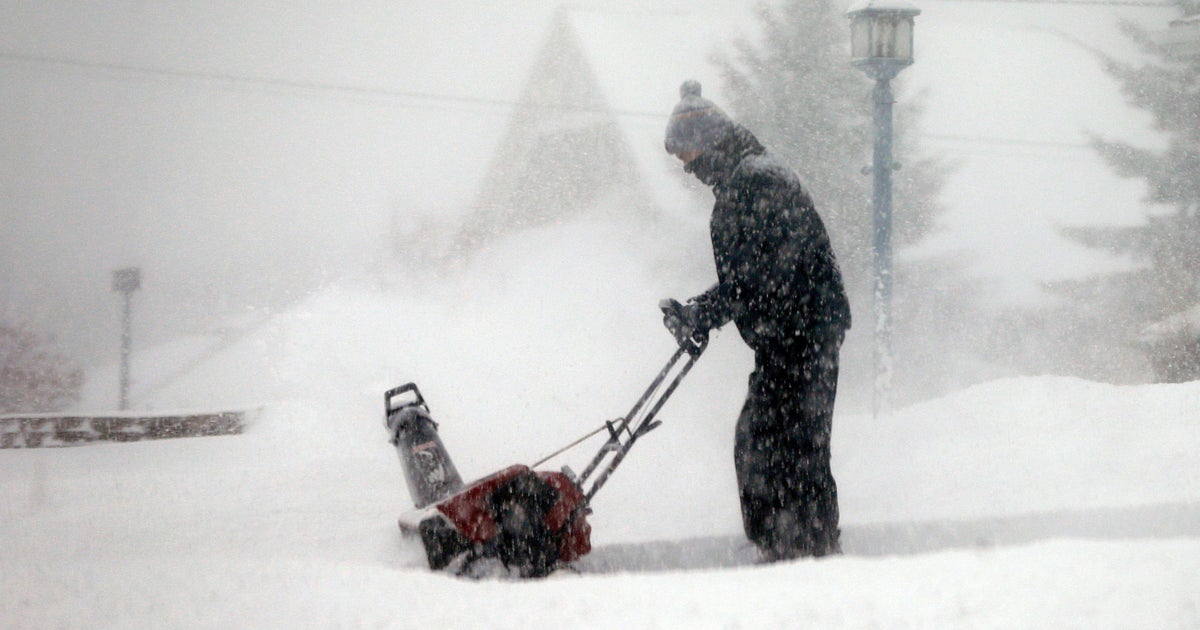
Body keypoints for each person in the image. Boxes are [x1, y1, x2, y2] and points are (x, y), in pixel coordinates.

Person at [660, 80, 851, 560]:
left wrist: (708, 311)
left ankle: (803, 548)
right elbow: (754, 276)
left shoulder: (758, 180)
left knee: (787, 444)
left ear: (707, 141)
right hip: (792, 333)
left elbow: (767, 273)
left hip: (802, 333)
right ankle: (791, 544)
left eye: (687, 156)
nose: (688, 169)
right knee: (775, 441)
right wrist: (702, 312)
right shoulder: (746, 179)